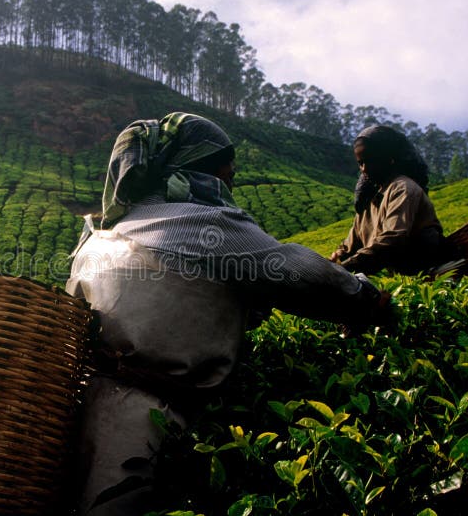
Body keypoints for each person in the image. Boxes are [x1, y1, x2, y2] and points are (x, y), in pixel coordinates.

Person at [65, 112, 393, 515]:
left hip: (71, 407)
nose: (232, 179)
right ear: (195, 167)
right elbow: (303, 273)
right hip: (141, 423)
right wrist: (365, 296)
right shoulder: (204, 221)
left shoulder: (100, 239)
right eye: (226, 168)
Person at [329, 125, 445, 275]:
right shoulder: (368, 200)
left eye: (369, 161)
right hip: (398, 278)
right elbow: (349, 246)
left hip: (429, 273)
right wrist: (335, 259)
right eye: (360, 163)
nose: (364, 169)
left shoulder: (403, 189)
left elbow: (393, 240)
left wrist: (345, 268)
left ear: (388, 159)